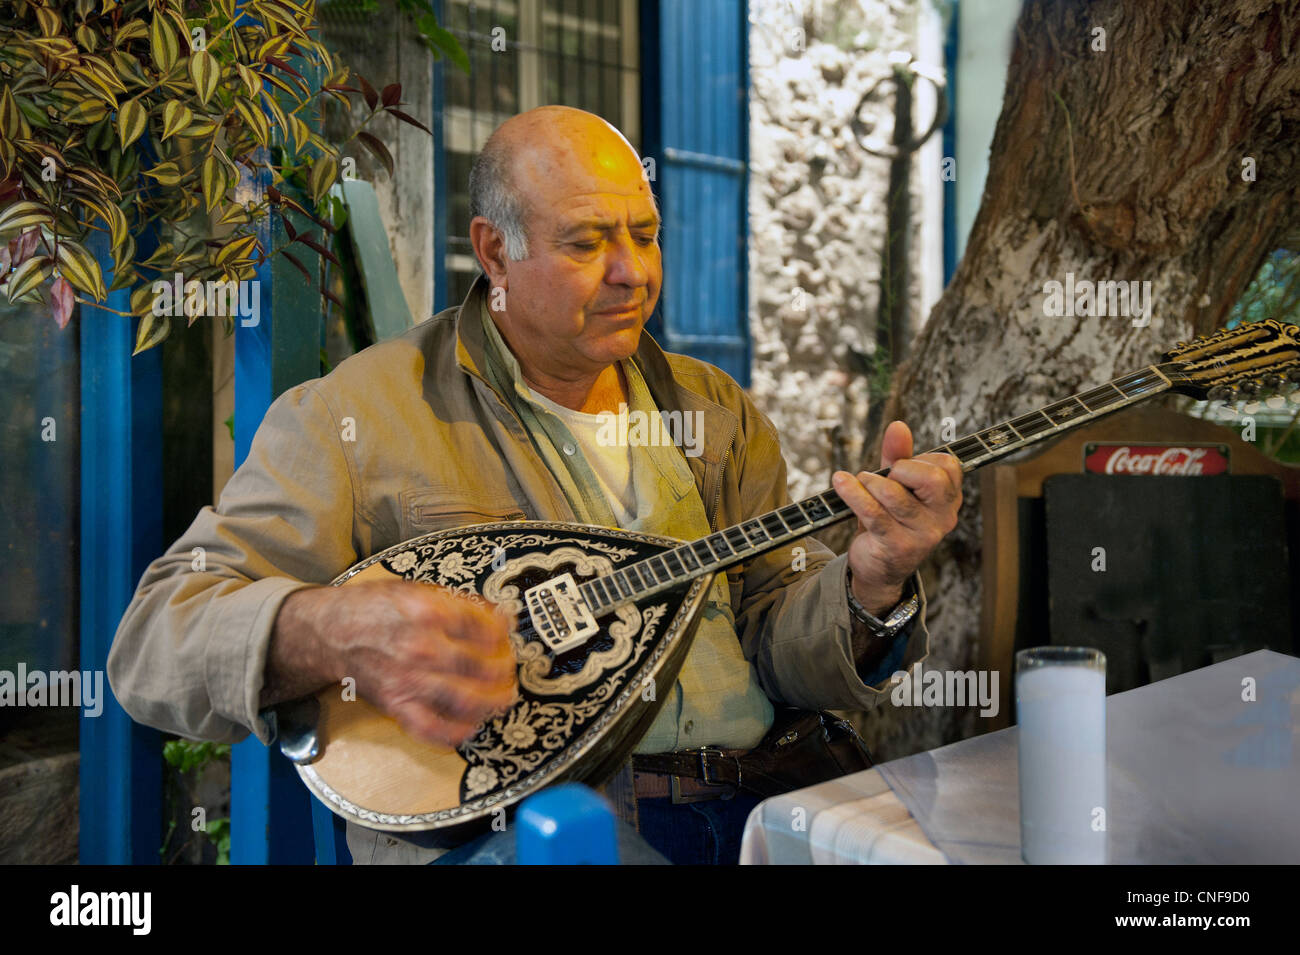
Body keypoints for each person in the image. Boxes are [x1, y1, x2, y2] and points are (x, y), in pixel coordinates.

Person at [108, 106, 962, 865]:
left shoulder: (713, 409)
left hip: (764, 803)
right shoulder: (360, 413)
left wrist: (869, 582)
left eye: (645, 233)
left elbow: (779, 639)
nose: (632, 272)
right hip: (531, 832)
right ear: (494, 250)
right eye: (588, 242)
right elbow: (153, 645)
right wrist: (329, 627)